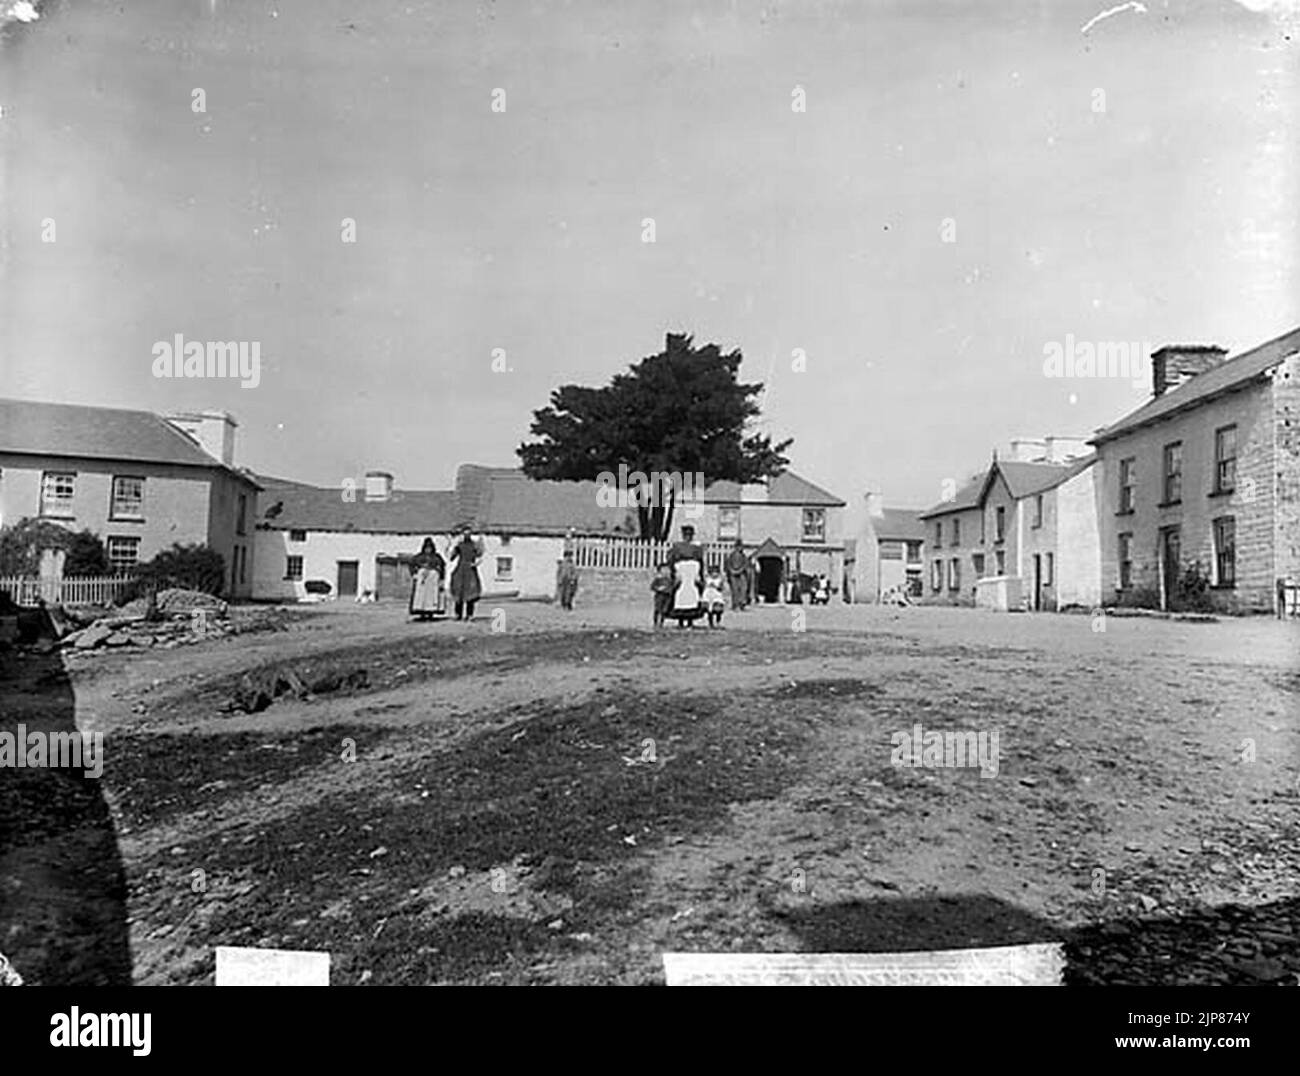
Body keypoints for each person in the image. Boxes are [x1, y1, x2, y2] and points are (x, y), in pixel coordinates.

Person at [666, 524, 705, 627]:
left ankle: (690, 620)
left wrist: (700, 575)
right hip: (682, 570)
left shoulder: (696, 547)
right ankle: (680, 620)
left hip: (692, 570)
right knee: (680, 593)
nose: (688, 537)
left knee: (692, 593)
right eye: (686, 534)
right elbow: (671, 559)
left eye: (690, 534)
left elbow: (700, 561)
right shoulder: (677, 546)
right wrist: (673, 572)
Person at [448, 527, 483, 621]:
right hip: (460, 569)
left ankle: (470, 614)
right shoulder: (460, 545)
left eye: (468, 533)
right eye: (465, 533)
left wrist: (476, 563)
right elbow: (451, 557)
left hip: (470, 570)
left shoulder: (474, 545)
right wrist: (452, 546)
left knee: (470, 592)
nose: (466, 535)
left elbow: (480, 555)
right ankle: (458, 614)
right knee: (459, 591)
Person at [408, 537, 446, 621]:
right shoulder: (419, 557)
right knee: (421, 597)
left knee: (431, 597)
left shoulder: (436, 557)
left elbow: (442, 566)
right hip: (422, 581)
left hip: (432, 581)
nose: (428, 550)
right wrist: (414, 573)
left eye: (430, 548)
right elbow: (411, 564)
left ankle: (430, 613)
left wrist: (441, 578)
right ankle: (422, 613)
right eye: (426, 548)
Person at [724, 540, 751, 611]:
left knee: (743, 589)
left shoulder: (743, 556)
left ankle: (742, 603)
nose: (740, 548)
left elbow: (745, 564)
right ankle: (735, 604)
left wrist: (741, 570)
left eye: (741, 547)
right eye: (739, 547)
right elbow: (728, 564)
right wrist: (731, 571)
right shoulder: (731, 556)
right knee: (735, 589)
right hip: (733, 574)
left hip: (741, 573)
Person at [651, 561, 676, 628]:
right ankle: (655, 622)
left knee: (664, 610)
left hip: (668, 596)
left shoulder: (670, 580)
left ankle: (661, 622)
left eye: (667, 570)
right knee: (658, 609)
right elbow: (653, 587)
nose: (666, 571)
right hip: (660, 596)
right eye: (664, 570)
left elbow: (673, 586)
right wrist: (658, 588)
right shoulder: (658, 579)